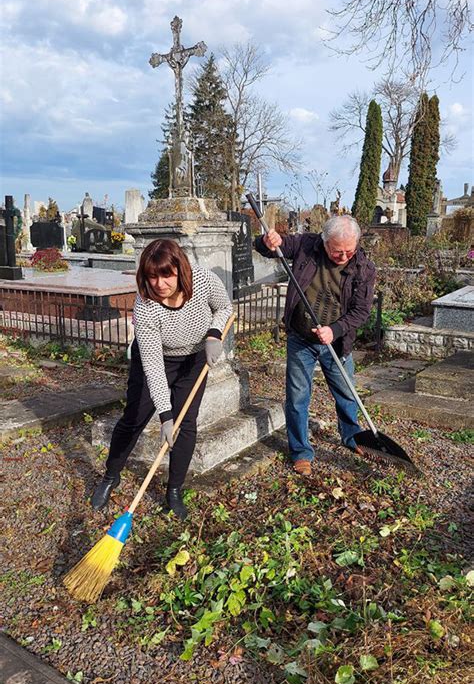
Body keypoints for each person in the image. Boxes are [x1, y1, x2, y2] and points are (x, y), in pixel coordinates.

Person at [91, 239, 233, 518]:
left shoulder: (203, 279)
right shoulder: (145, 306)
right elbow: (153, 365)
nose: (159, 283)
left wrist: (214, 334)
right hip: (157, 358)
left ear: (180, 269)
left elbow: (225, 308)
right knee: (134, 418)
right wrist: (165, 416)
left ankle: (174, 489)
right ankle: (111, 475)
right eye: (152, 276)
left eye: (166, 274)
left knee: (186, 423)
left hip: (193, 359)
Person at [255, 215, 376, 476]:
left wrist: (335, 330)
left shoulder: (363, 268)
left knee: (346, 393)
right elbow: (271, 247)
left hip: (338, 342)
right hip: (301, 338)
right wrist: (268, 241)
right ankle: (300, 451)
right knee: (298, 397)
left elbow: (361, 311)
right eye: (337, 251)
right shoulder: (306, 246)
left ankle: (352, 435)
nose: (344, 256)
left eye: (349, 251)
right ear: (324, 242)